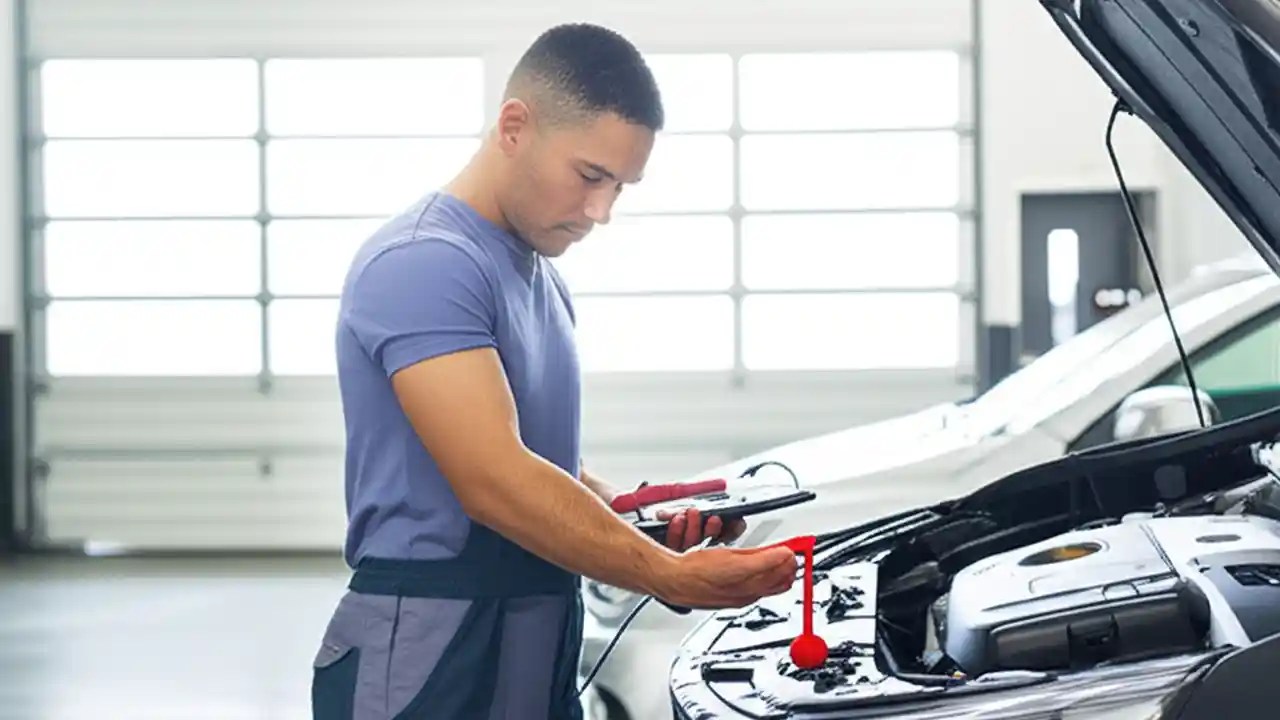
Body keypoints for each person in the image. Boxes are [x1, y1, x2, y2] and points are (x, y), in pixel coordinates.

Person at [311, 22, 798, 720]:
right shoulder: (424, 263)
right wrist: (665, 572)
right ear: (514, 126)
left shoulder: (534, 272)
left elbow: (544, 465)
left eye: (620, 187)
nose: (600, 211)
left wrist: (638, 519)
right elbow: (494, 481)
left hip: (535, 628)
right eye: (590, 175)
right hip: (428, 647)